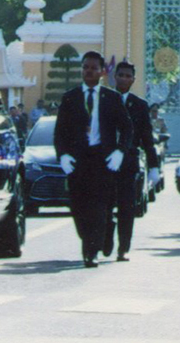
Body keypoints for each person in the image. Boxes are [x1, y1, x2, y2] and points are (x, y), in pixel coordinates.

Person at [54, 51, 133, 267]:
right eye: (85, 67)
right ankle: (102, 234)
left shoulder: (112, 98)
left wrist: (119, 151)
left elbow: (127, 128)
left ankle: (91, 251)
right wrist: (63, 155)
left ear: (102, 71)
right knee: (79, 208)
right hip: (78, 160)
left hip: (102, 159)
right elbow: (60, 131)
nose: (88, 71)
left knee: (98, 206)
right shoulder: (70, 98)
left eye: (93, 68)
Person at [104, 61, 159, 262]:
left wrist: (154, 166)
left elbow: (147, 138)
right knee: (105, 205)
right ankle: (107, 238)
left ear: (133, 80)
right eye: (121, 75)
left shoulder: (140, 105)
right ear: (114, 77)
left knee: (127, 207)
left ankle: (123, 248)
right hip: (106, 162)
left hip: (128, 163)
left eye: (128, 76)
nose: (124, 79)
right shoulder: (104, 100)